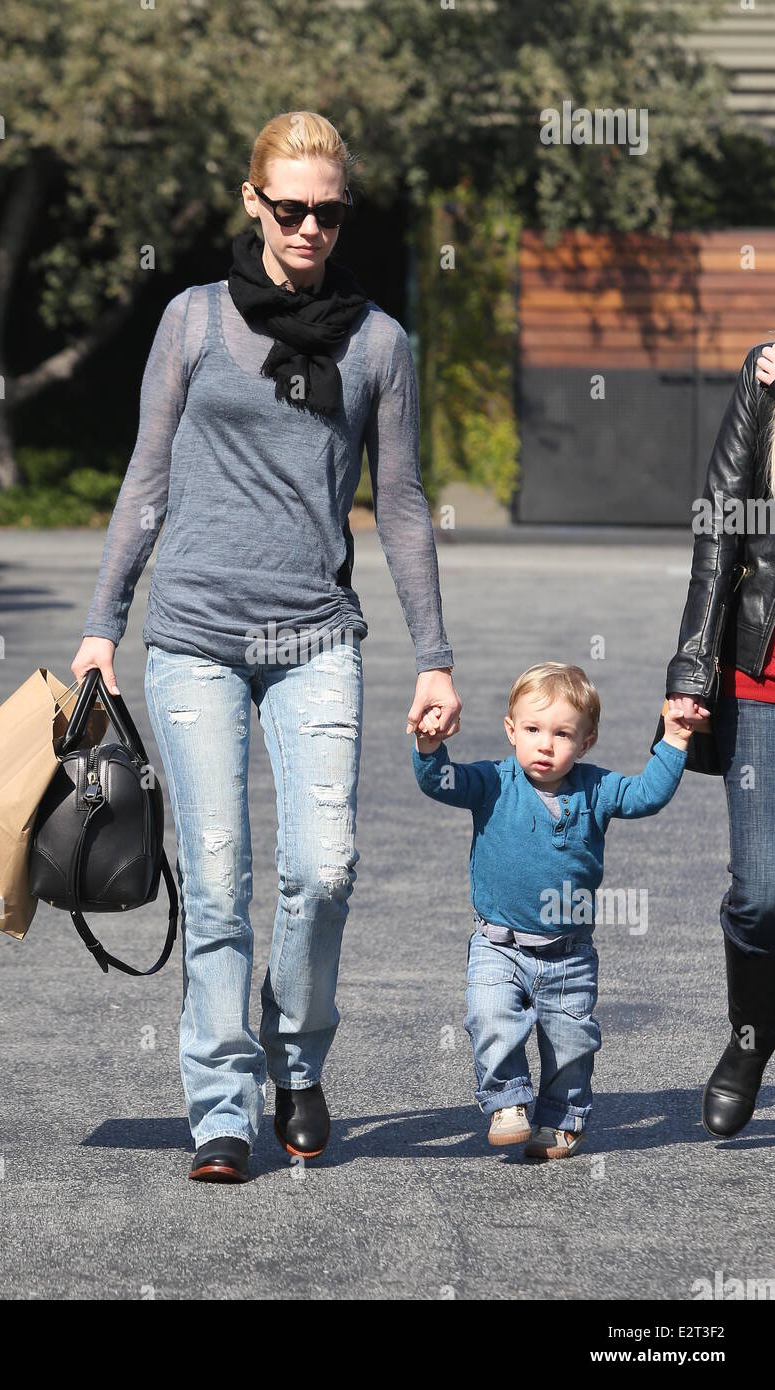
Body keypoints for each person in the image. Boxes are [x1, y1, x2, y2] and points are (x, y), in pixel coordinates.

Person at [70, 110, 460, 1183]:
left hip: (315, 639)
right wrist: (103, 624)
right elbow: (145, 481)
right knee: (218, 873)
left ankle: (297, 1056)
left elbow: (407, 505)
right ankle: (220, 1106)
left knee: (322, 868)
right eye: (288, 208)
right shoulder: (192, 322)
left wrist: (434, 653)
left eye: (328, 213)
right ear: (251, 202)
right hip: (193, 638)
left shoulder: (378, 342)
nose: (308, 229)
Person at [412, 662, 692, 1159]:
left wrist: (673, 739)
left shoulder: (597, 788)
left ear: (586, 743)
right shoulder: (492, 783)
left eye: (563, 734)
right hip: (497, 944)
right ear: (511, 729)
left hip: (569, 954)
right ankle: (506, 1103)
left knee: (569, 1044)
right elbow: (443, 784)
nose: (546, 745)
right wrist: (430, 747)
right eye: (533, 730)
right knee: (490, 1016)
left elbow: (647, 796)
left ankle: (561, 1117)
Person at [666, 340, 775, 1138]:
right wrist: (692, 663)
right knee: (761, 893)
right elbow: (719, 529)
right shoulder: (766, 377)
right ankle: (750, 1038)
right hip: (759, 672)